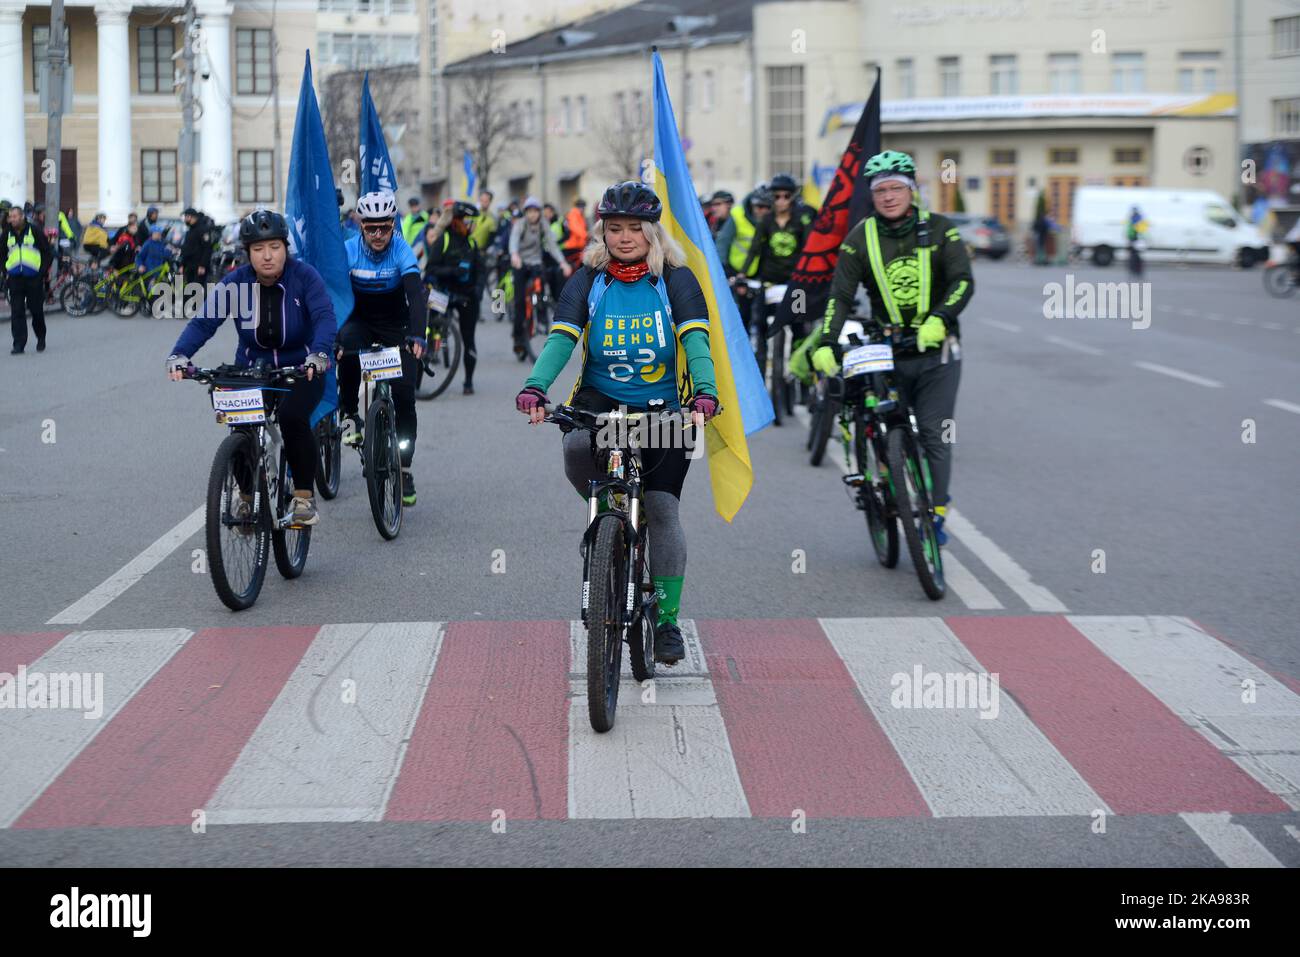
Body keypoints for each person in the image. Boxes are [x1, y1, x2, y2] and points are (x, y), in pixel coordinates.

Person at [514, 181, 720, 666]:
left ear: (652, 232)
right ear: (602, 232)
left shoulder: (675, 279)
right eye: (614, 228)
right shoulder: (588, 278)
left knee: (663, 510)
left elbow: (696, 345)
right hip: (600, 401)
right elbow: (562, 340)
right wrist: (536, 386)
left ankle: (667, 621)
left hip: (660, 408)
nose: (624, 237)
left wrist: (705, 395)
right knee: (574, 450)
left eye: (635, 229)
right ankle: (610, 520)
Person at [809, 150, 973, 547]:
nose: (888, 196)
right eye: (880, 190)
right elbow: (840, 296)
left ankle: (934, 511)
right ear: (872, 195)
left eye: (896, 188)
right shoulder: (858, 238)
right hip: (886, 349)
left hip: (937, 351)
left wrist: (940, 319)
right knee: (881, 421)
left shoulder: (940, 229)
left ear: (911, 190)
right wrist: (826, 343)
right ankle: (886, 477)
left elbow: (963, 281)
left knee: (933, 433)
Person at [165, 209, 336, 526]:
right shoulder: (236, 282)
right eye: (258, 249)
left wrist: (320, 354)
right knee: (241, 426)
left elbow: (325, 317)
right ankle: (245, 498)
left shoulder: (304, 277)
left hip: (302, 366)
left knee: (292, 417)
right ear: (247, 253)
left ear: (286, 247)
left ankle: (303, 497)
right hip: (252, 368)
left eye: (274, 247)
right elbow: (204, 323)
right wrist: (179, 355)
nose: (267, 256)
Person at [341, 190, 427, 506]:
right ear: (360, 226)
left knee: (405, 398)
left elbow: (416, 297)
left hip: (396, 326)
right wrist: (333, 338)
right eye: (371, 228)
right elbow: (335, 296)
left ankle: (404, 467)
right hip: (360, 320)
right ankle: (350, 413)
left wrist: (418, 336)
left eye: (385, 228)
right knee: (347, 349)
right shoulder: (348, 250)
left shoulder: (402, 251)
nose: (378, 235)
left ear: (394, 225)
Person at [425, 200, 482, 394]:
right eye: (468, 221)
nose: (471, 225)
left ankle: (468, 381)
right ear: (457, 221)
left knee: (469, 338)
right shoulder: (444, 239)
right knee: (425, 332)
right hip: (442, 292)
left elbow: (481, 272)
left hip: (465, 295)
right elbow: (430, 268)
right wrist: (452, 271)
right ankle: (417, 377)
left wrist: (478, 292)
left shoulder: (472, 243)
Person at [509, 195, 571, 361]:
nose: (533, 215)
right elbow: (513, 240)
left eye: (536, 211)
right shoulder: (520, 224)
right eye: (529, 211)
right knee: (520, 302)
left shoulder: (543, 224)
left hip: (536, 262)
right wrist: (514, 255)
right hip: (520, 263)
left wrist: (563, 263)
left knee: (542, 282)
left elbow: (552, 245)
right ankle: (518, 337)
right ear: (526, 212)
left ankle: (541, 314)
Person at [4, 203, 53, 353]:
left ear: (22, 217)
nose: (12, 219)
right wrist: (4, 270)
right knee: (17, 312)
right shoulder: (6, 234)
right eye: (10, 217)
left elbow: (47, 252)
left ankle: (41, 337)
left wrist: (41, 272)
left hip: (33, 278)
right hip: (15, 278)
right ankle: (19, 344)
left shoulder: (34, 231)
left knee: (36, 311)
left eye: (15, 216)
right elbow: (1, 253)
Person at [180, 207, 213, 291]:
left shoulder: (203, 229)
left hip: (199, 267)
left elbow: (207, 249)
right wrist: (182, 264)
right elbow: (186, 249)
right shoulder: (190, 230)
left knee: (197, 292)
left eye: (187, 217)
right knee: (190, 290)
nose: (186, 219)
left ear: (193, 217)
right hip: (189, 266)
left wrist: (202, 265)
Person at [562, 198, 589, 269]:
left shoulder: (579, 215)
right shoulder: (574, 213)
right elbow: (574, 227)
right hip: (572, 246)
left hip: (577, 246)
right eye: (583, 207)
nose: (583, 209)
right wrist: (585, 235)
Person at [1126, 206, 1147, 277]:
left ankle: (1136, 270)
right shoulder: (1136, 218)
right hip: (1134, 238)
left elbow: (1139, 229)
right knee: (1135, 255)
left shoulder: (1135, 218)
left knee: (1135, 255)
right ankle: (1136, 270)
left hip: (1135, 238)